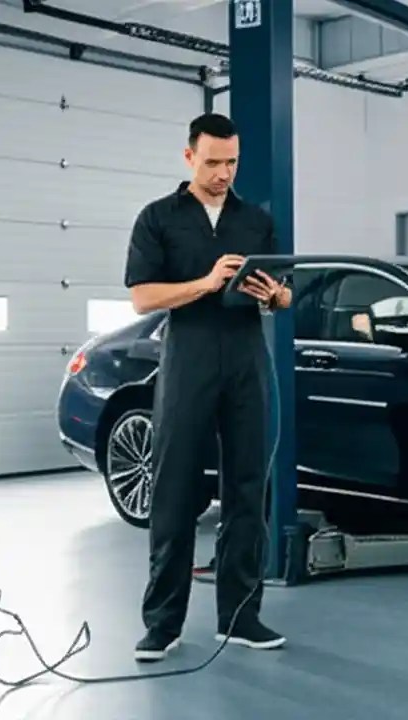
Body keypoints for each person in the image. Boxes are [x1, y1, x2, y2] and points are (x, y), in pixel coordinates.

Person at [124, 112, 291, 662]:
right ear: (189, 156)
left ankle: (241, 618)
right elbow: (144, 298)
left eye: (233, 162)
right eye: (214, 161)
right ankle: (162, 624)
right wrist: (205, 282)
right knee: (174, 491)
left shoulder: (256, 221)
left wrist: (277, 297)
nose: (224, 172)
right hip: (189, 361)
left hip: (247, 360)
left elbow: (283, 292)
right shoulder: (158, 219)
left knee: (248, 490)